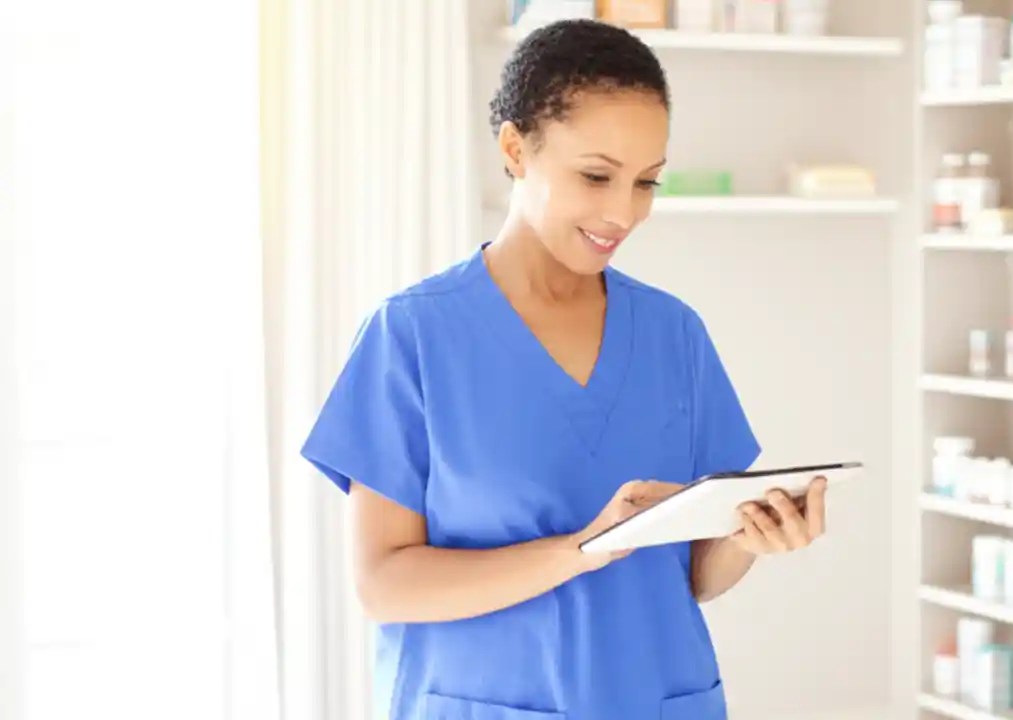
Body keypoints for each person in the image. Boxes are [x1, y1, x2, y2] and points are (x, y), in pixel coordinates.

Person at [301, 18, 829, 720]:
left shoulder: (674, 334)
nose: (624, 212)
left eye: (647, 183)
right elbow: (384, 585)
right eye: (595, 176)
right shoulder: (414, 335)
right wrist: (582, 548)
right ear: (516, 149)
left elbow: (692, 577)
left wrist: (748, 539)